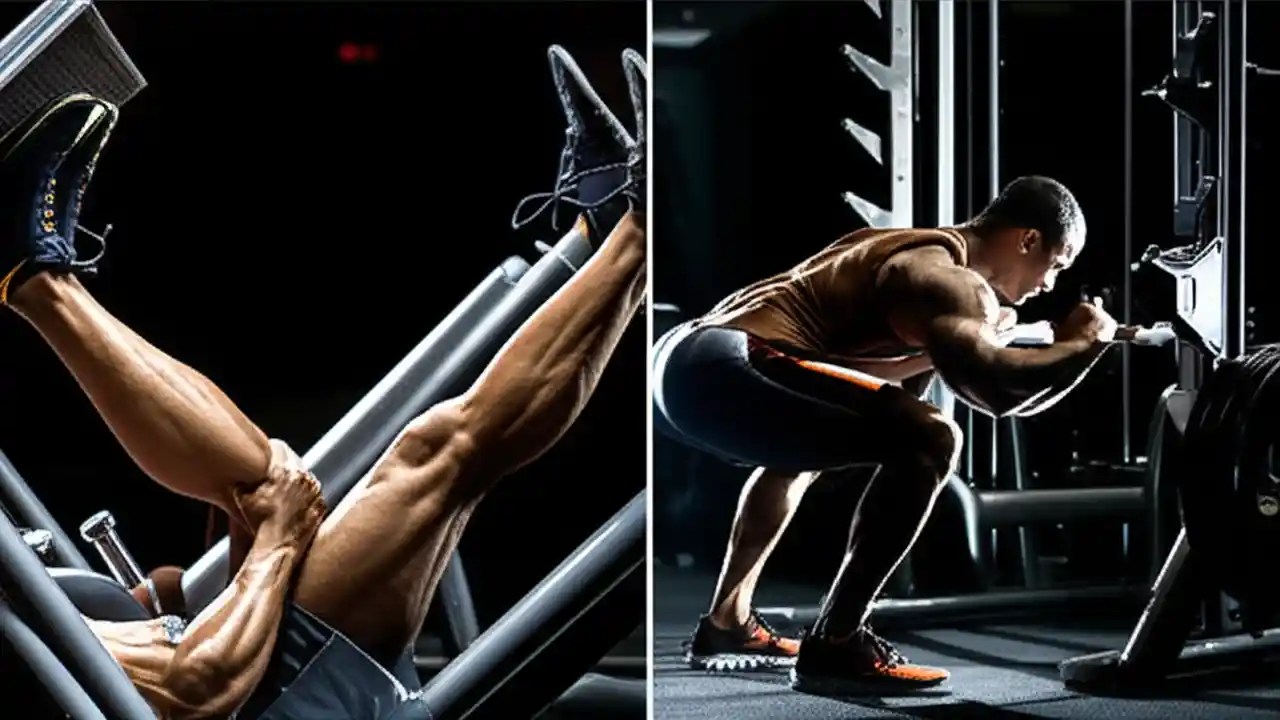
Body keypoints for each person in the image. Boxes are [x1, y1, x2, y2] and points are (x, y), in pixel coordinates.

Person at [3, 45, 646, 720]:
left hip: (241, 671)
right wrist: (274, 544)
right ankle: (638, 232)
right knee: (438, 453)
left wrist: (236, 561)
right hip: (267, 700)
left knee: (267, 483)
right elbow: (197, 686)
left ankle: (29, 270)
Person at [653, 175, 1118, 695]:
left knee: (811, 455)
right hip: (726, 362)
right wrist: (1086, 343)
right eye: (1055, 265)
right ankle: (837, 641)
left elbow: (862, 380)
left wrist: (947, 351)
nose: (1049, 286)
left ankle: (727, 625)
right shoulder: (947, 280)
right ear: (1028, 239)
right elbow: (1000, 396)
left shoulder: (900, 249)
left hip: (681, 363)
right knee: (935, 438)